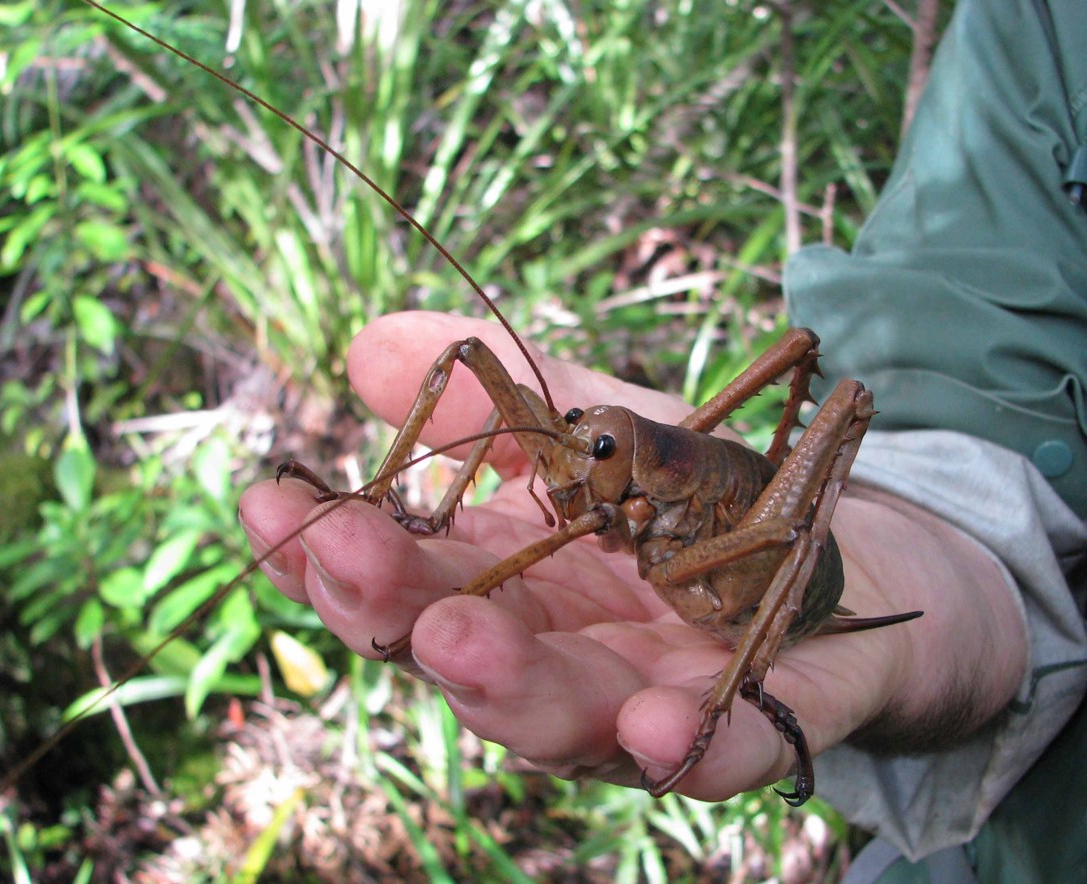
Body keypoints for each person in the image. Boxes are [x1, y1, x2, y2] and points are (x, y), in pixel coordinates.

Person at [239, 0, 1086, 879]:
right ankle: (392, 502)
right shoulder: (1037, 38)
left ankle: (738, 682)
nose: (570, 479)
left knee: (812, 431)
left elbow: (578, 536)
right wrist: (968, 546)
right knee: (463, 350)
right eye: (573, 446)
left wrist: (799, 576)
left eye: (591, 456)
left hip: (767, 558)